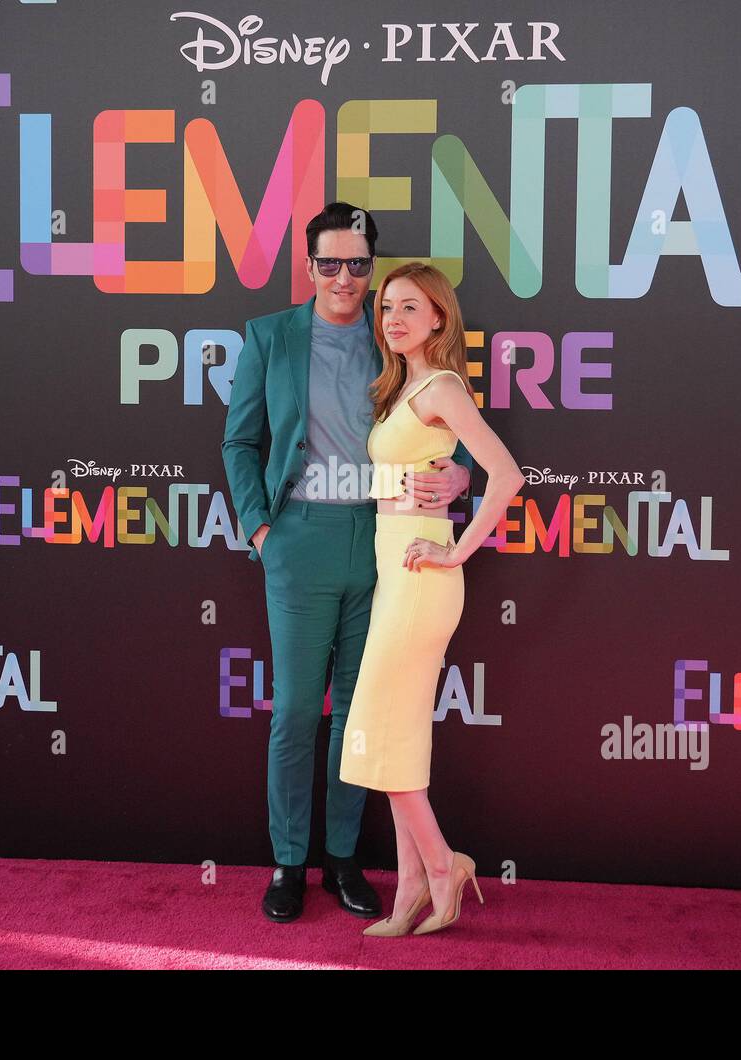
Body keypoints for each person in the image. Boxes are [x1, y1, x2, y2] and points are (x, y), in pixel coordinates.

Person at [221, 204, 475, 923]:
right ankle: (287, 864)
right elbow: (239, 442)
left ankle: (343, 861)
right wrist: (261, 530)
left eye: (358, 265)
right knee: (298, 710)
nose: (343, 277)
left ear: (372, 269)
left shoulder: (392, 332)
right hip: (298, 538)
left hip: (379, 542)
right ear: (308, 267)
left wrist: (457, 477)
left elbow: (438, 423)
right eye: (328, 263)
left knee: (359, 716)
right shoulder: (270, 336)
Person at [340, 261, 524, 937]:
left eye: (410, 308)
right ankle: (415, 881)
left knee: (385, 727)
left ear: (439, 318)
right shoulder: (403, 388)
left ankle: (442, 867)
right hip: (396, 565)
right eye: (387, 307)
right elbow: (411, 478)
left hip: (422, 575)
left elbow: (506, 474)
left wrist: (455, 549)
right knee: (397, 733)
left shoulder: (442, 385)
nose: (393, 319)